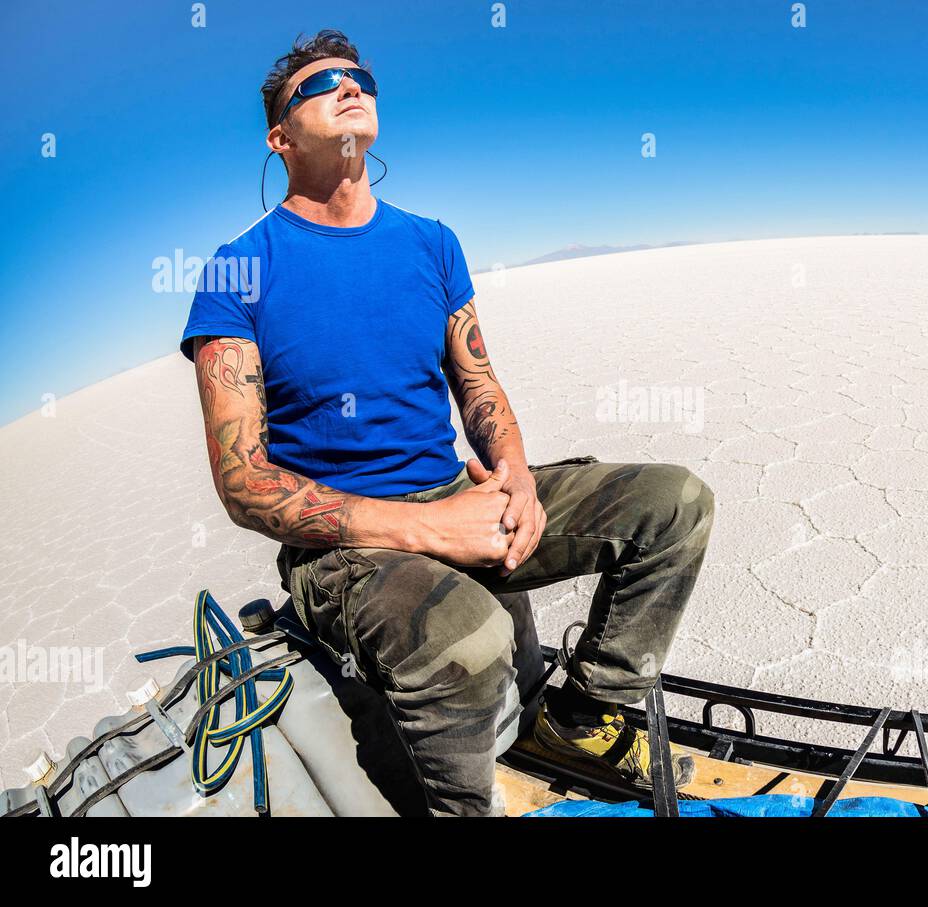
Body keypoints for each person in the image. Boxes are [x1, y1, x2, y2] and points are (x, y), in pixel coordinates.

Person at [179, 29, 714, 816]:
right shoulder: (239, 268)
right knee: (467, 636)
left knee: (677, 504)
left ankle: (582, 718)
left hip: (457, 493)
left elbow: (478, 383)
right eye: (319, 85)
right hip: (342, 546)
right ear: (279, 135)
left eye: (359, 76)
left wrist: (516, 476)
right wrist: (427, 531)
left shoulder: (431, 243)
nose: (350, 85)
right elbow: (243, 481)